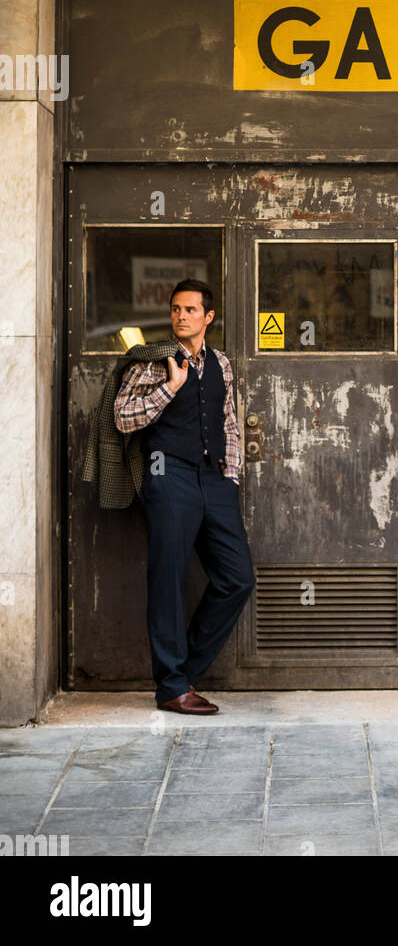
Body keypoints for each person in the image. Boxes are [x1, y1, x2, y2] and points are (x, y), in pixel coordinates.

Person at [114, 278, 254, 714]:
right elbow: (123, 417)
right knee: (169, 580)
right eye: (175, 309)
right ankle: (173, 687)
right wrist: (170, 387)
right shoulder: (154, 363)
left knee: (237, 578)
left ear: (208, 317)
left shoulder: (222, 364)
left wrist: (230, 476)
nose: (181, 316)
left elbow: (228, 421)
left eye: (190, 310)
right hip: (167, 473)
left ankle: (184, 672)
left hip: (212, 479)